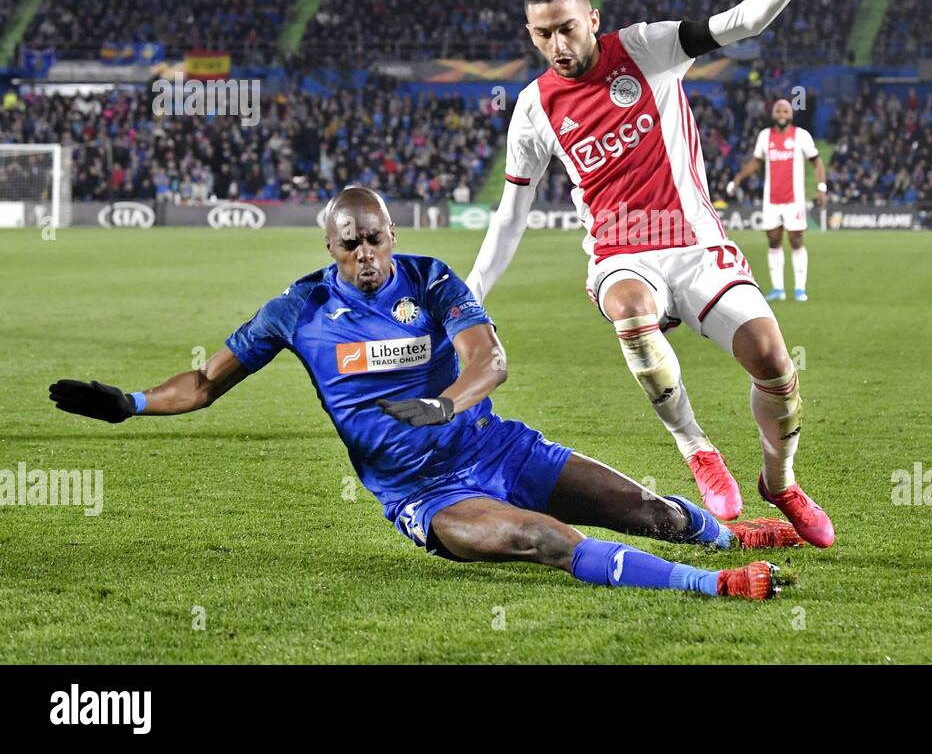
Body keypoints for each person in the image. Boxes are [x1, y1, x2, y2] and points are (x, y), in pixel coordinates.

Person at [47, 187, 804, 600]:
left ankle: (727, 535)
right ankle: (715, 585)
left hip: (497, 446)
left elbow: (491, 361)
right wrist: (131, 404)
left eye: (377, 237)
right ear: (330, 247)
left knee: (649, 509)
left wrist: (447, 404)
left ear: (390, 234)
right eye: (352, 243)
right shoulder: (297, 310)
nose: (369, 253)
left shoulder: (431, 277)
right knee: (541, 539)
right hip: (428, 494)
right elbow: (206, 383)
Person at [465, 0, 846, 545]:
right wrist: (470, 298)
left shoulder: (646, 48)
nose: (557, 43)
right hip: (621, 250)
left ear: (593, 19)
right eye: (542, 33)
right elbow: (510, 212)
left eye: (567, 27)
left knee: (774, 364)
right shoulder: (533, 108)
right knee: (631, 310)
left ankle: (779, 482)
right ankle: (694, 445)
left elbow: (744, 21)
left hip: (696, 241)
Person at [726, 98, 827, 301]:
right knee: (773, 240)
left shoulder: (801, 136)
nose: (782, 113)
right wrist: (738, 179)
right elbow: (755, 162)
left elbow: (817, 163)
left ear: (791, 114)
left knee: (796, 239)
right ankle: (778, 289)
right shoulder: (765, 136)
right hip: (771, 200)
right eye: (778, 110)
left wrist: (821, 187)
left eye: (785, 110)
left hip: (794, 200)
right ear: (773, 114)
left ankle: (800, 289)